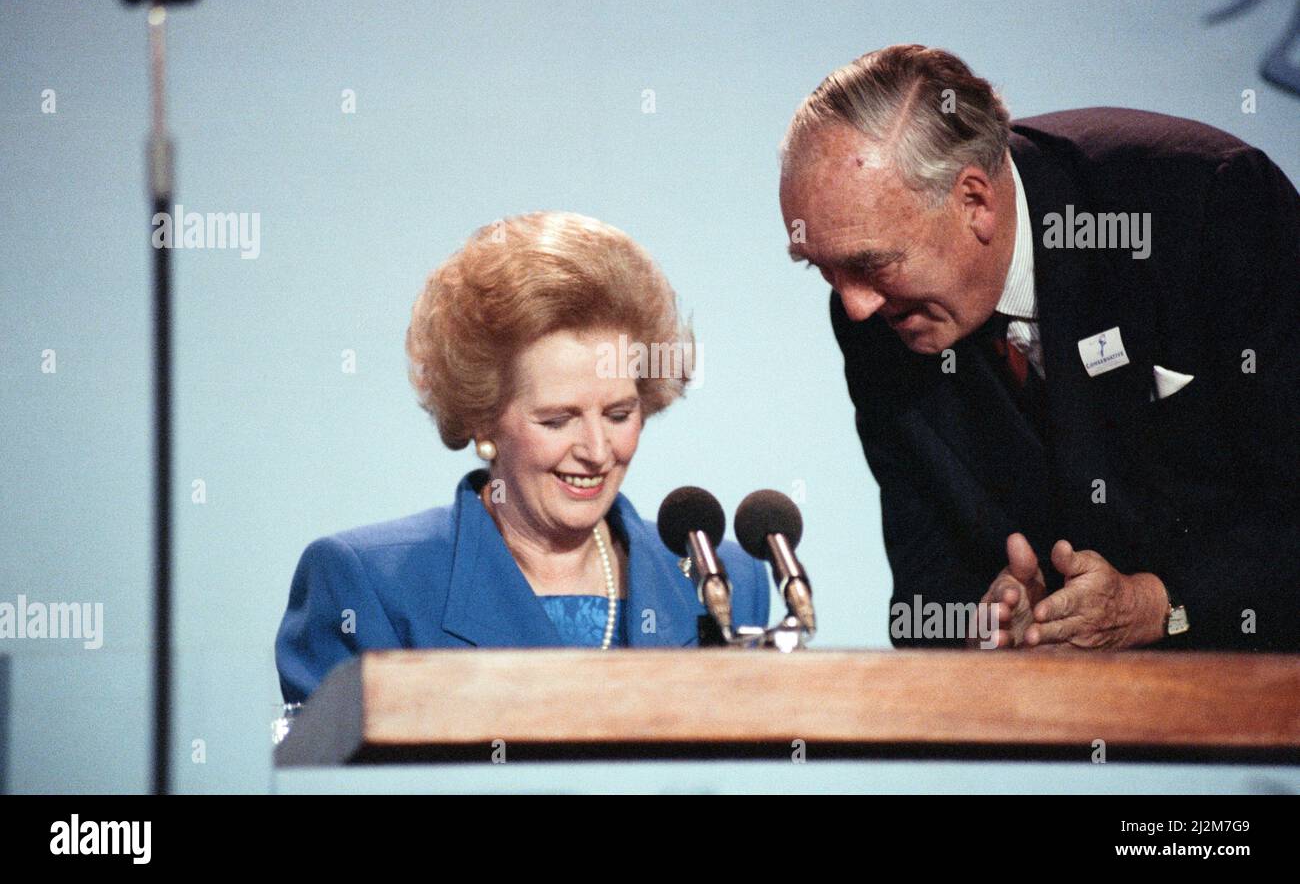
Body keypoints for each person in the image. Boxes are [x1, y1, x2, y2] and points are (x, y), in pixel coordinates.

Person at [779, 44, 1299, 652]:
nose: (854, 306)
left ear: (974, 201)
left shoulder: (1207, 205)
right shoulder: (878, 317)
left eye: (872, 264)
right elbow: (925, 580)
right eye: (821, 268)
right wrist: (986, 624)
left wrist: (1161, 604)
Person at [276, 212, 770, 703]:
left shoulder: (724, 579)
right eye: (557, 420)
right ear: (484, 418)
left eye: (619, 415)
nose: (597, 452)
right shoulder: (369, 584)